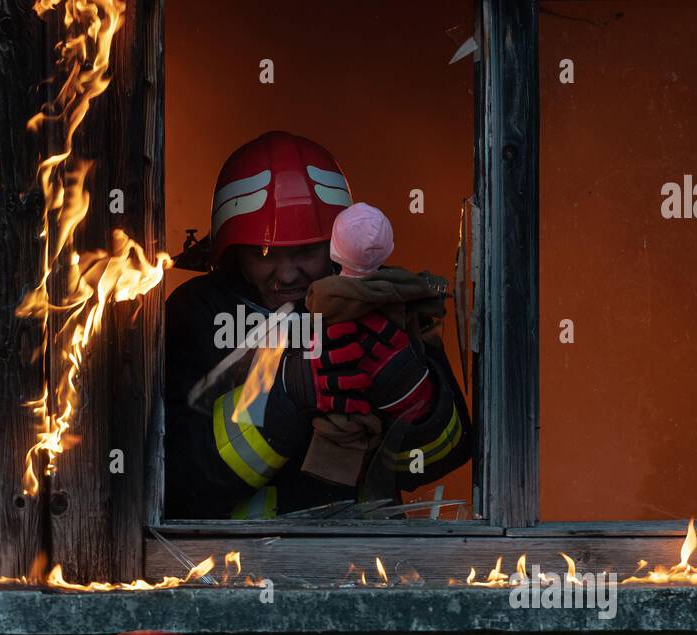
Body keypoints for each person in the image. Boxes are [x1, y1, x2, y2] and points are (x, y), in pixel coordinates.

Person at [164, 131, 470, 518]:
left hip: (360, 566)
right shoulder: (197, 313)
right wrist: (284, 392)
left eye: (307, 249)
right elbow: (180, 481)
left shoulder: (384, 304)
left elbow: (436, 462)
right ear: (232, 249)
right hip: (233, 568)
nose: (288, 274)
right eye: (265, 252)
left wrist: (411, 394)